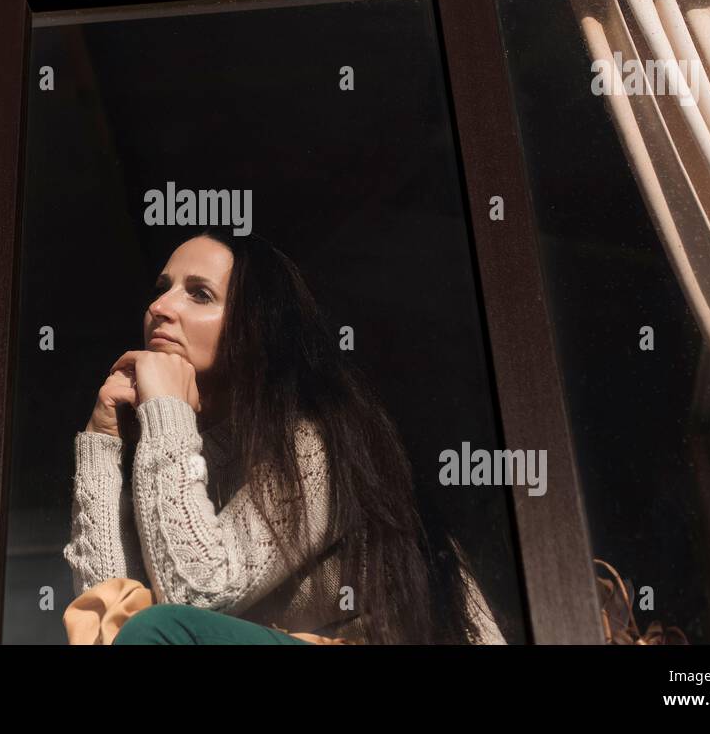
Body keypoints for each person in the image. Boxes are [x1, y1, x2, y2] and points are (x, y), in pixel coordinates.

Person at [62, 229, 505, 644]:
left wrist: (167, 412)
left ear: (256, 330)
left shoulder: (317, 441)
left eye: (200, 294)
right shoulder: (166, 458)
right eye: (162, 288)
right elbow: (106, 620)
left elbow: (193, 595)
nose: (160, 307)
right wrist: (102, 443)